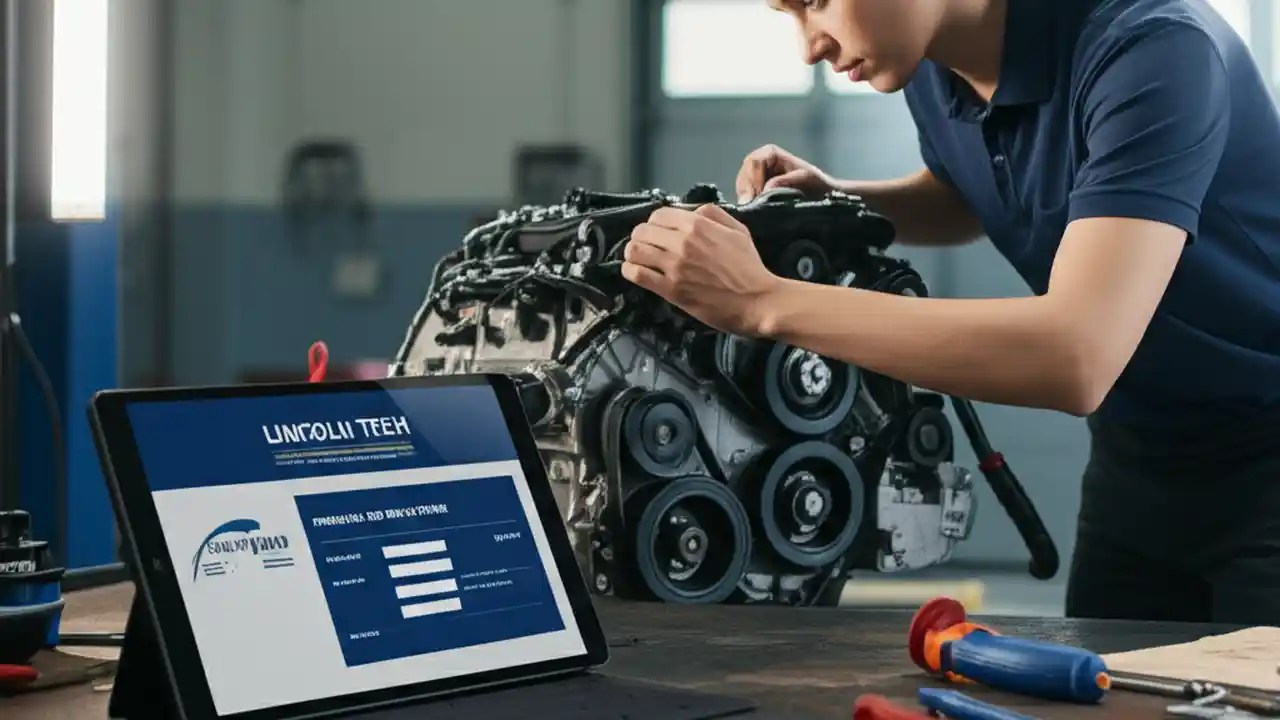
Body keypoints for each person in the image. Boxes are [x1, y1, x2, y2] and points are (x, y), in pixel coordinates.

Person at [619, 0, 1280, 626]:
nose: (808, 47)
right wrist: (839, 204)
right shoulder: (935, 68)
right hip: (1137, 459)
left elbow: (1076, 355)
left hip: (1265, 458)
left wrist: (761, 301)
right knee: (1111, 697)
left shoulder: (1153, 50)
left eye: (815, 1)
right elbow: (978, 189)